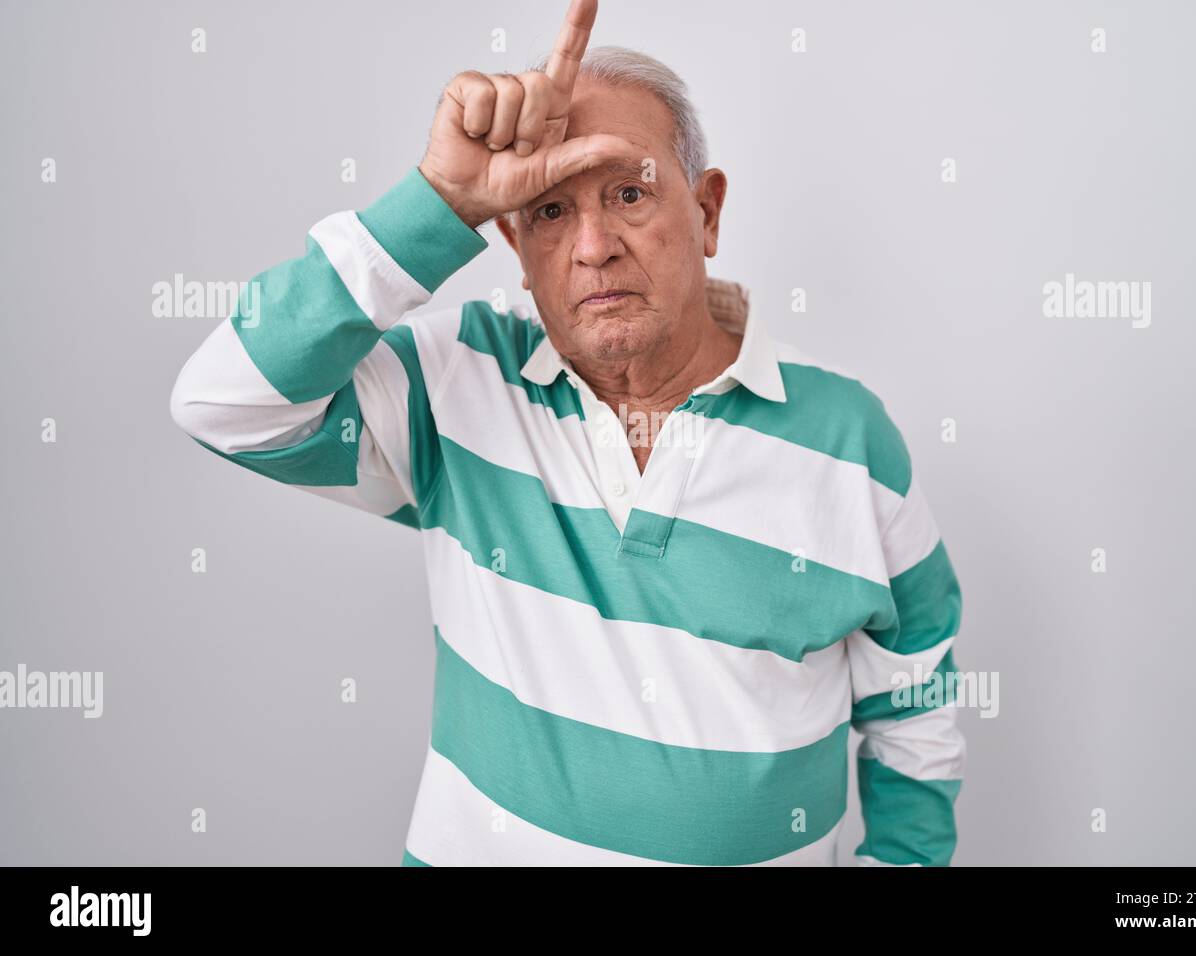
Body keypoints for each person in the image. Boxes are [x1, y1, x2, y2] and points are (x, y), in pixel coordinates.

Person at [169, 0, 966, 866]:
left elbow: (915, 715)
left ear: (706, 212)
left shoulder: (849, 439)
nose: (592, 247)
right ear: (513, 242)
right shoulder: (460, 381)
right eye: (549, 211)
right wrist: (436, 202)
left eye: (629, 193)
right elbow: (224, 405)